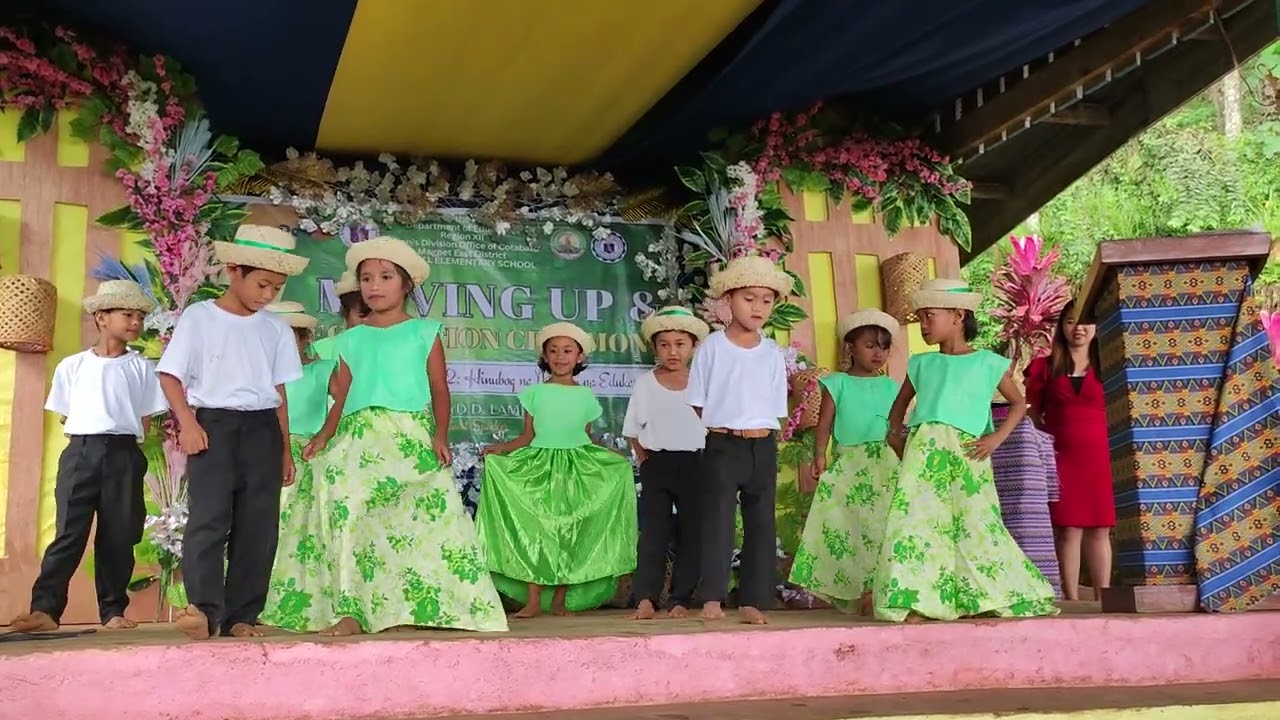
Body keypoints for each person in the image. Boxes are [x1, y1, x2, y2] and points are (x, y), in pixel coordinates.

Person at [262, 236, 507, 636]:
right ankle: (351, 610)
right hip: (358, 437)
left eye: (385, 277)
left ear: (406, 284)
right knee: (349, 511)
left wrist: (441, 435)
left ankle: (436, 605)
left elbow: (439, 388)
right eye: (367, 278)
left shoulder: (425, 332)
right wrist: (325, 434)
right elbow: (342, 394)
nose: (375, 285)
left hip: (410, 436)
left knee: (428, 518)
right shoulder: (349, 339)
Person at [156, 224, 309, 640]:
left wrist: (285, 451)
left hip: (262, 428)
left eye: (275, 289)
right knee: (209, 519)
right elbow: (170, 375)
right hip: (213, 425)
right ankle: (203, 611)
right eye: (261, 284)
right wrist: (188, 423)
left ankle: (242, 615)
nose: (266, 296)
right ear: (233, 271)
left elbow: (279, 392)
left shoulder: (275, 329)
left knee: (259, 525)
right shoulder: (200, 317)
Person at [875, 278, 1058, 623]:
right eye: (921, 318)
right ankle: (919, 601)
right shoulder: (921, 364)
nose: (924, 325)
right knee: (918, 526)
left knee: (976, 524)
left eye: (930, 316)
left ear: (958, 315)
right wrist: (898, 440)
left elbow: (1020, 404)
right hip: (924, 457)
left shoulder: (988, 363)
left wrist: (995, 440)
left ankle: (985, 595)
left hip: (967, 455)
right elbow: (898, 410)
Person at [8, 280, 168, 633]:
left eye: (140, 317)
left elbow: (146, 420)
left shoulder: (142, 368)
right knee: (69, 532)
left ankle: (112, 612)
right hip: (81, 451)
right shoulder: (72, 366)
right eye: (127, 315)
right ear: (101, 317)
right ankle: (45, 610)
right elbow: (66, 415)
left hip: (125, 453)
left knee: (119, 535)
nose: (135, 323)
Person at [476, 322, 638, 618]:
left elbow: (586, 436)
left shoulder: (586, 396)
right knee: (537, 528)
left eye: (567, 351)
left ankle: (560, 599)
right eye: (554, 351)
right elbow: (527, 436)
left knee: (569, 531)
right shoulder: (535, 393)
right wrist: (501, 450)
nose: (560, 357)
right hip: (540, 465)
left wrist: (610, 456)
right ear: (545, 356)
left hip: (576, 468)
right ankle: (534, 599)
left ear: (579, 357)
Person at [686, 255, 792, 625]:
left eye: (766, 299)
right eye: (749, 298)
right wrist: (726, 427)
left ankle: (753, 600)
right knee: (717, 520)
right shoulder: (712, 347)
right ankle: (712, 597)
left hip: (762, 445)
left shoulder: (772, 353)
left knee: (761, 522)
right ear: (728, 299)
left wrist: (755, 433)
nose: (758, 307)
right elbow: (698, 403)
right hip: (722, 445)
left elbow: (776, 405)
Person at [788, 310, 900, 615]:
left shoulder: (891, 386)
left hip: (886, 464)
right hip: (850, 462)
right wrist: (820, 455)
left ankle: (880, 587)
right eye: (870, 345)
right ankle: (858, 588)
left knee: (882, 525)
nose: (878, 353)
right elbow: (824, 422)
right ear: (850, 347)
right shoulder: (836, 383)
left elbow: (898, 427)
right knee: (850, 525)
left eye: (884, 347)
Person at [623, 306, 710, 620]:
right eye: (664, 344)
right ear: (655, 347)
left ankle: (680, 599)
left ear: (693, 346)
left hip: (696, 466)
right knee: (653, 533)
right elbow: (633, 429)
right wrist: (644, 459)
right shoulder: (645, 384)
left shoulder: (703, 383)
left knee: (692, 533)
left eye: (680, 344)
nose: (672, 351)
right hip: (658, 465)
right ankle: (645, 597)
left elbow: (714, 425)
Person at [1025, 299, 1114, 601]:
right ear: (1061, 327)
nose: (1079, 328)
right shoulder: (1045, 368)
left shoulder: (1111, 366)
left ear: (1097, 327)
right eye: (1071, 321)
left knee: (1100, 529)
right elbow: (1033, 414)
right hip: (1060, 457)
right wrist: (1045, 446)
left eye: (1086, 321)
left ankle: (1105, 597)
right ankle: (1071, 598)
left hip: (1102, 457)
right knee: (1068, 529)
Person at [258, 302, 342, 572]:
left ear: (304, 338)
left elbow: (346, 406)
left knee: (304, 523)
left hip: (309, 456)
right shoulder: (262, 378)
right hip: (269, 455)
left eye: (286, 336)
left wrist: (324, 435)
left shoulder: (323, 370)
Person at [311, 270, 364, 362]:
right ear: (345, 311)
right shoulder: (323, 350)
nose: (367, 321)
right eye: (361, 315)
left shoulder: (386, 347)